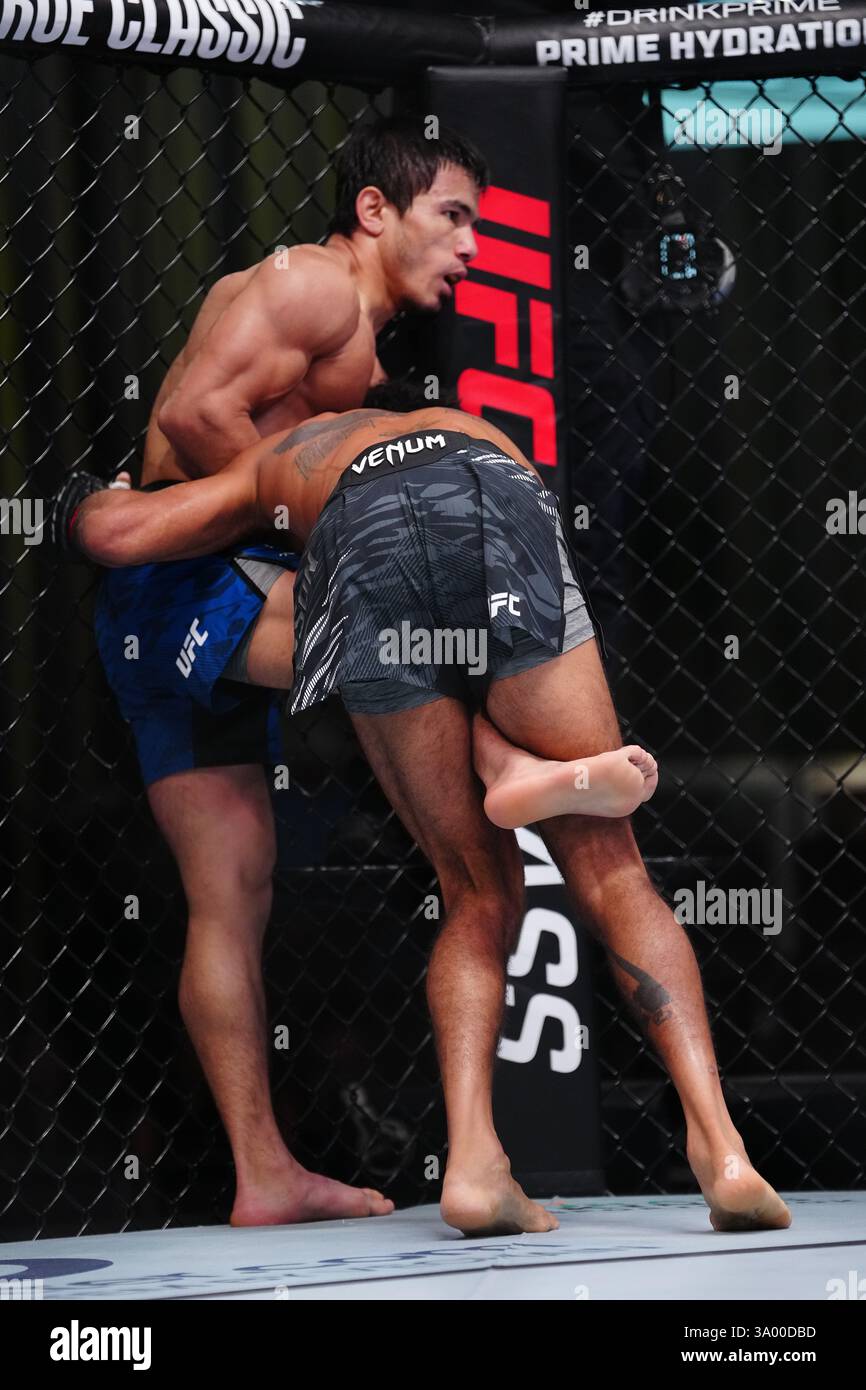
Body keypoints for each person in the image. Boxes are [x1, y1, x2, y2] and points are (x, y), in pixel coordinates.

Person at [68, 399, 793, 1237]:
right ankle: (722, 1149)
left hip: (360, 532)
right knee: (612, 868)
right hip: (485, 492)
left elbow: (116, 535)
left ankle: (476, 1161)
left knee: (474, 891)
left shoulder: (280, 462)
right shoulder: (459, 421)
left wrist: (86, 498)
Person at [52, 116, 489, 1227]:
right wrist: (321, 521)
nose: (471, 245)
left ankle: (263, 1175)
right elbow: (193, 413)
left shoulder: (359, 344)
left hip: (165, 598)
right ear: (374, 210)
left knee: (232, 891)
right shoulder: (313, 289)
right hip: (191, 580)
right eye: (452, 216)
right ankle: (519, 765)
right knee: (428, 636)